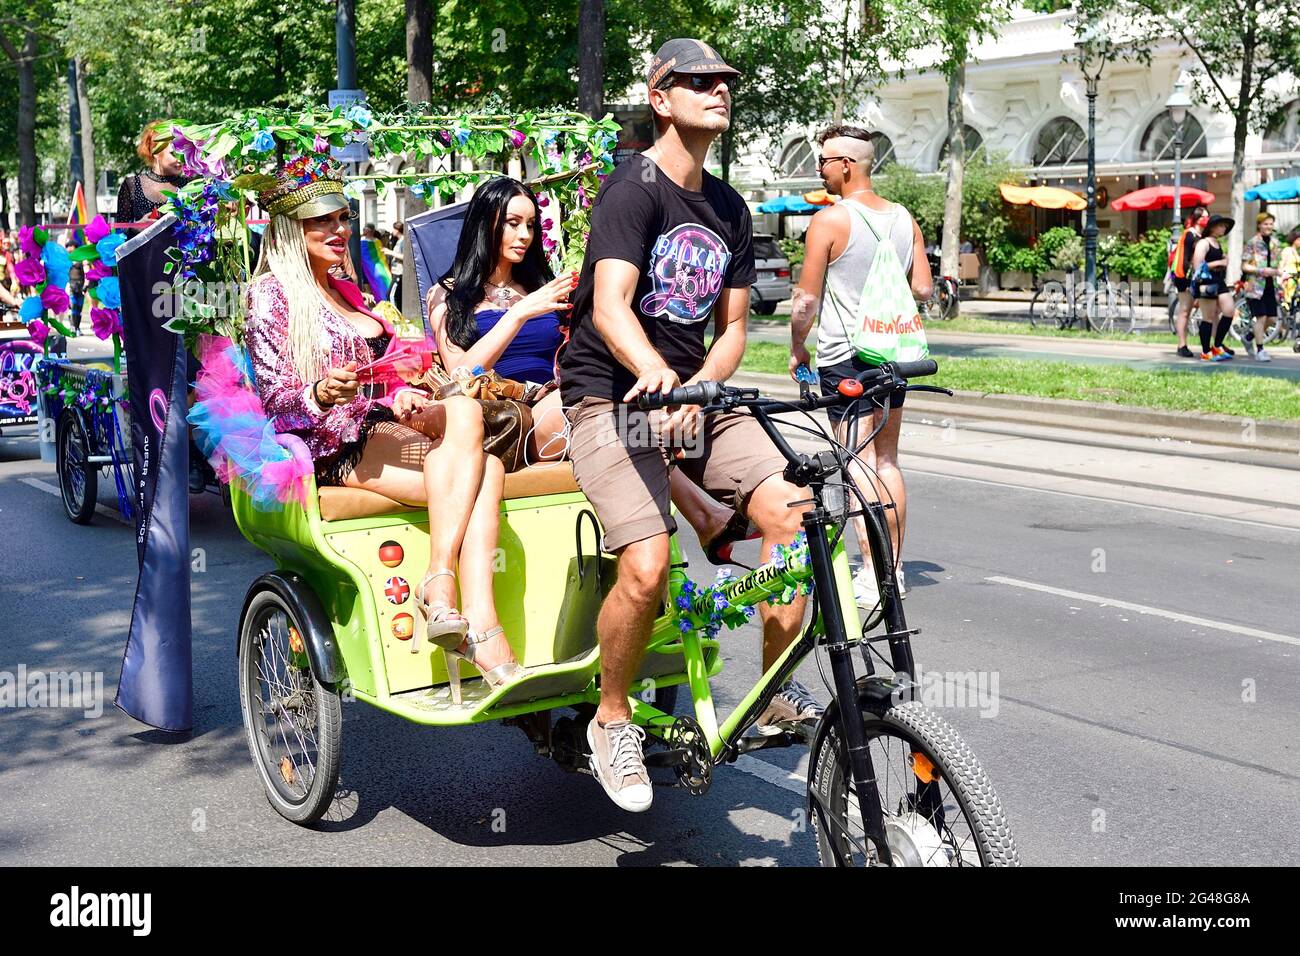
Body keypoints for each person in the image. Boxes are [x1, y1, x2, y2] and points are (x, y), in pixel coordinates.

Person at [558, 38, 816, 813]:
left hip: (691, 397)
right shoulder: (631, 191)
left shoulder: (731, 206)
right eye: (699, 82)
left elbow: (733, 327)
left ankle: (772, 688)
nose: (718, 92)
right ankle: (611, 720)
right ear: (660, 97)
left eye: (725, 82)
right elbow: (608, 309)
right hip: (608, 396)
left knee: (793, 511)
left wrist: (699, 384)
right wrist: (654, 378)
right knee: (644, 562)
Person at [243, 156, 522, 699]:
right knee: (480, 464)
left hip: (384, 429)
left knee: (471, 428)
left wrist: (403, 392)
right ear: (287, 229)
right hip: (331, 442)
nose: (339, 230)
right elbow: (275, 404)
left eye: (343, 218)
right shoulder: (269, 296)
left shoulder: (347, 290)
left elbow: (384, 373)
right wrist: (320, 392)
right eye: (322, 221)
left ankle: (448, 594)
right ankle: (470, 618)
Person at [427, 174, 756, 555]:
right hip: (502, 416)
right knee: (599, 410)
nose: (524, 236)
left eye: (531, 225)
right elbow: (459, 373)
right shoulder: (447, 293)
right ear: (486, 225)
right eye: (512, 223)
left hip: (551, 399)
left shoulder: (542, 286)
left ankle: (701, 510)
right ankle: (702, 514)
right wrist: (516, 315)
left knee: (619, 404)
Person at [788, 126, 931, 611]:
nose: (819, 169)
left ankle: (872, 575)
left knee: (855, 464)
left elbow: (806, 299)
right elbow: (925, 289)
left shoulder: (829, 222)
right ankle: (893, 570)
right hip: (891, 353)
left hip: (845, 356)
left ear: (846, 165)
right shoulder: (903, 217)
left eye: (824, 161)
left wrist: (796, 348)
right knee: (887, 461)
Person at [115, 120, 188, 227]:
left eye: (183, 153)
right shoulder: (131, 185)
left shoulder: (189, 185)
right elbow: (119, 231)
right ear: (156, 152)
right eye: (174, 153)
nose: (180, 159)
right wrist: (137, 226)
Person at [1190, 214, 1237, 362]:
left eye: (1225, 226)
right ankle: (1205, 351)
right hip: (1206, 282)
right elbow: (1197, 266)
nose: (1224, 228)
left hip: (1218, 281)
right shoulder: (1203, 243)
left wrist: (1223, 261)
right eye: (1222, 225)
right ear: (1213, 227)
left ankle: (1217, 345)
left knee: (1229, 311)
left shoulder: (1216, 243)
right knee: (1208, 318)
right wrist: (1219, 263)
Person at [1240, 212, 1281, 362]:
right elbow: (1244, 266)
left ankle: (1248, 337)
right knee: (1261, 317)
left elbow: (1277, 263)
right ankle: (1260, 350)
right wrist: (1261, 271)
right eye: (1265, 224)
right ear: (1259, 225)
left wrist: (1278, 272)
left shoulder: (1275, 243)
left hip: (1271, 286)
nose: (1269, 226)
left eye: (1271, 224)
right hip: (1255, 287)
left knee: (1272, 319)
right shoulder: (1252, 243)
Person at [1168, 205, 1208, 358]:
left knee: (1192, 307)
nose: (1206, 219)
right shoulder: (1189, 234)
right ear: (1197, 219)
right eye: (1203, 216)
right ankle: (1182, 344)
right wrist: (1182, 280)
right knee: (1185, 311)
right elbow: (1182, 258)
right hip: (1185, 278)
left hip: (1197, 278)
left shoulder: (1201, 235)